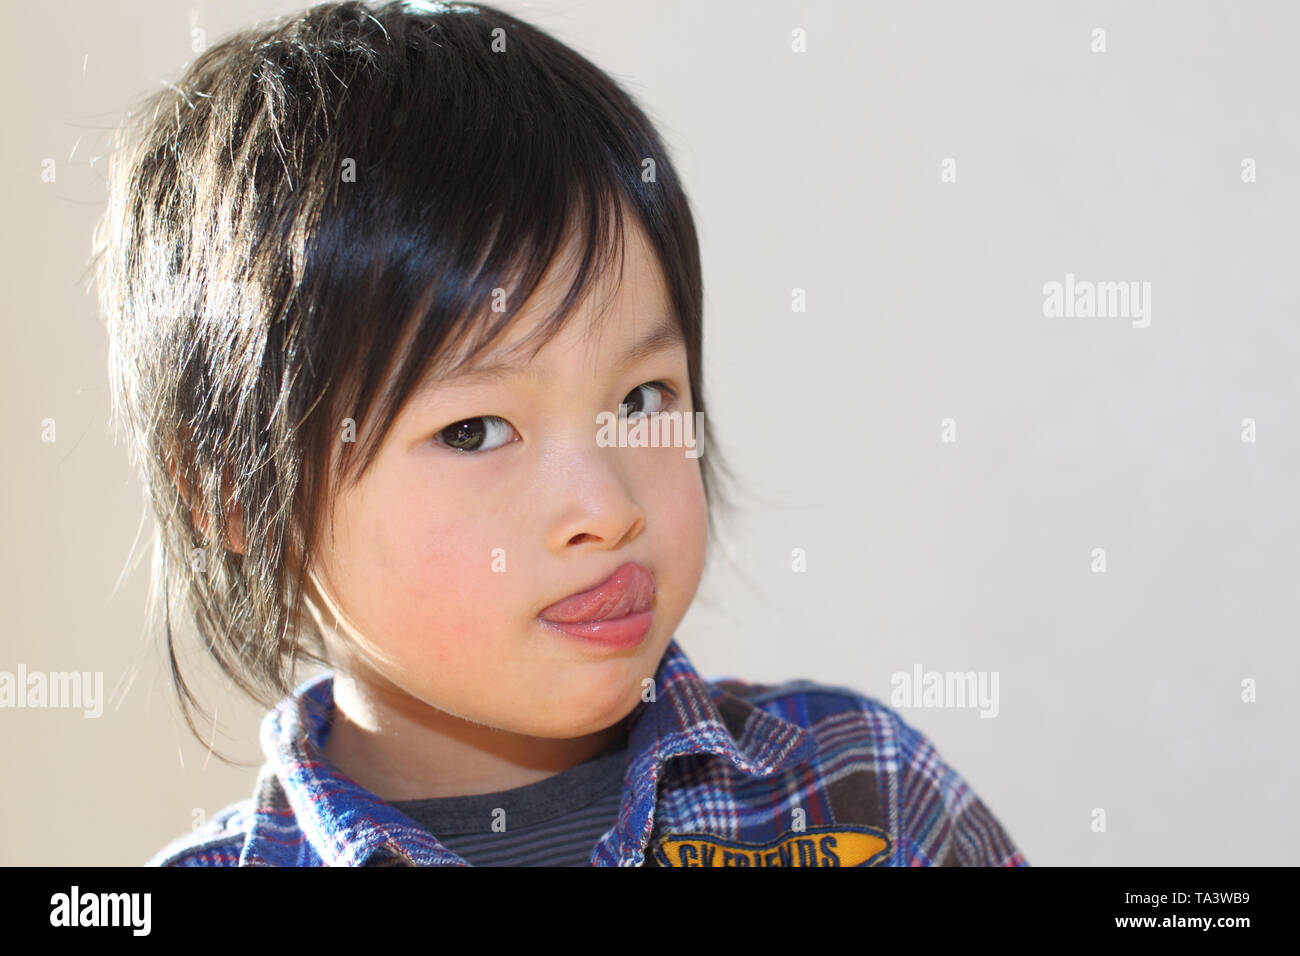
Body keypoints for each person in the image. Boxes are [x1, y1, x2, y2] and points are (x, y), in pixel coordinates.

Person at [93, 0, 1027, 866]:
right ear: (233, 497)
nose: (605, 508)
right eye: (473, 431)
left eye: (639, 400)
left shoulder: (861, 792)